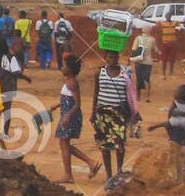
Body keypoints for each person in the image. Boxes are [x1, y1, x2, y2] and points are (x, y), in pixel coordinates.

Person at [92, 49, 139, 180]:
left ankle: (118, 171)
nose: (113, 60)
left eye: (115, 57)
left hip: (119, 113)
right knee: (105, 145)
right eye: (110, 57)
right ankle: (109, 175)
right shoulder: (99, 73)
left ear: (118, 58)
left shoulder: (125, 74)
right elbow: (96, 93)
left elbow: (130, 94)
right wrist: (93, 113)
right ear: (105, 58)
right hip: (102, 113)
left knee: (120, 144)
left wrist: (133, 112)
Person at [54, 56, 101, 183]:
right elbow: (67, 100)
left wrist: (68, 116)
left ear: (70, 69)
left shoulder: (72, 83)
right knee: (64, 144)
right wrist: (56, 106)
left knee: (64, 144)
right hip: (67, 116)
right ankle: (90, 163)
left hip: (69, 116)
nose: (62, 67)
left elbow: (77, 103)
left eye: (64, 66)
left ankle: (69, 174)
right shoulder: (69, 81)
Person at [0, 34, 30, 139]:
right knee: (7, 110)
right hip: (8, 87)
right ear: (6, 46)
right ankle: (4, 133)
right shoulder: (11, 58)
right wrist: (26, 78)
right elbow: (16, 72)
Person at [129, 24, 156, 96]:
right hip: (148, 62)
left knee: (139, 78)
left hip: (139, 61)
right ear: (150, 31)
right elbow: (155, 49)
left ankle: (138, 94)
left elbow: (134, 49)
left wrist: (131, 60)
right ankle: (148, 95)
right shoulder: (152, 39)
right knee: (147, 78)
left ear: (142, 30)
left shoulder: (138, 38)